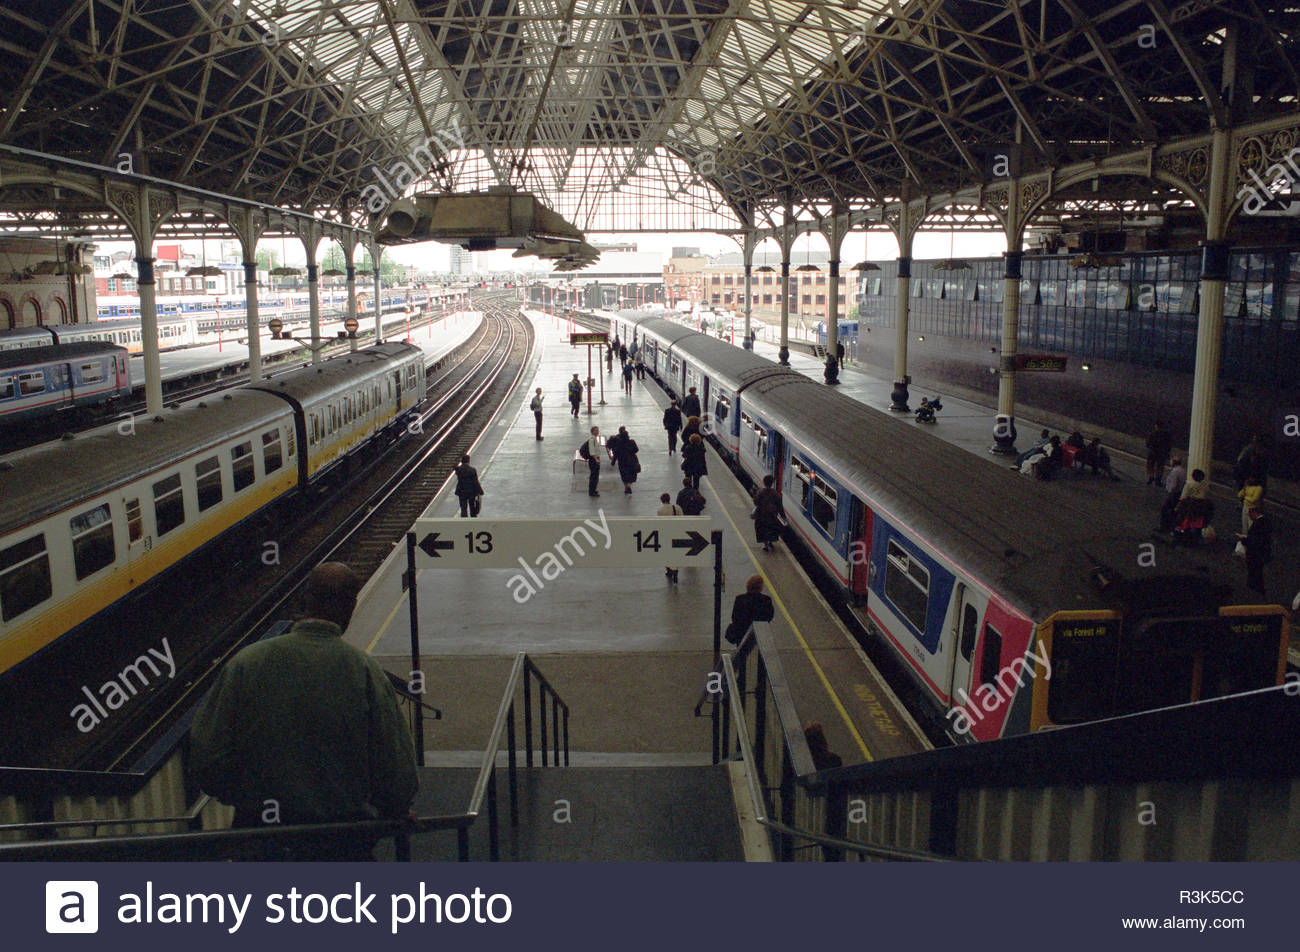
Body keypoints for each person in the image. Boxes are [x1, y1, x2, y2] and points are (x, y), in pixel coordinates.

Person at [190, 563, 418, 859]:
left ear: (303, 602)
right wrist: (392, 810)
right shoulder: (364, 671)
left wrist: (248, 799)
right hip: (342, 841)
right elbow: (397, 768)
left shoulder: (246, 663)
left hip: (262, 839)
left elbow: (208, 756)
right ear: (351, 607)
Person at [725, 574, 774, 645]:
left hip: (742, 633)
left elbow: (735, 616)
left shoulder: (740, 599)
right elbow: (769, 616)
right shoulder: (766, 600)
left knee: (742, 652)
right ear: (760, 587)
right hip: (759, 633)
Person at [1238, 506, 1272, 597]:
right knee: (1257, 573)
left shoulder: (1258, 524)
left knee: (1254, 573)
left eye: (1249, 514)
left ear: (1254, 513)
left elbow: (1254, 541)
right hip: (1261, 554)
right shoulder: (1265, 522)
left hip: (1255, 554)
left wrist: (1243, 539)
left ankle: (1254, 593)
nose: (1249, 517)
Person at [657, 492, 683, 582]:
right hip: (676, 532)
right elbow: (682, 519)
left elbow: (660, 523)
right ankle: (676, 570)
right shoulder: (677, 507)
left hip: (666, 534)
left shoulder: (660, 510)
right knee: (675, 552)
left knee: (666, 552)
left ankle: (668, 569)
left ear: (661, 500)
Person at [753, 475, 783, 553]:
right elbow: (779, 505)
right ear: (772, 483)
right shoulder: (775, 493)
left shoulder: (761, 492)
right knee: (771, 529)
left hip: (762, 515)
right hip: (772, 515)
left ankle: (765, 545)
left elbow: (756, 501)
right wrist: (783, 516)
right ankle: (770, 542)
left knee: (763, 529)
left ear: (764, 483)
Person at [1160, 456, 1187, 531]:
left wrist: (1170, 494)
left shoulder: (1175, 472)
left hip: (1174, 494)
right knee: (1173, 510)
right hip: (1179, 493)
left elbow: (1173, 485)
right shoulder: (1183, 470)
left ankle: (1164, 526)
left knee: (1165, 509)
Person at [612, 425, 640, 493]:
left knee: (624, 475)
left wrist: (613, 461)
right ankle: (629, 485)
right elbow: (636, 450)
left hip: (622, 461)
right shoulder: (632, 442)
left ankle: (626, 487)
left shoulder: (619, 443)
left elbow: (616, 453)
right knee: (632, 475)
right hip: (632, 461)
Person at [1145, 420, 1172, 485]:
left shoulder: (1152, 434)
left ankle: (1151, 477)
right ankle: (1158, 479)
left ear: (1156, 426)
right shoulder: (1166, 435)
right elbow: (1169, 444)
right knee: (1160, 466)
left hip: (1152, 452)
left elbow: (1148, 443)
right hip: (1161, 453)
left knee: (1150, 465)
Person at [582, 426, 603, 497]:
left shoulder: (595, 439)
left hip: (595, 459)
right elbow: (592, 451)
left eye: (598, 430)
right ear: (592, 432)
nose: (597, 432)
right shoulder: (592, 440)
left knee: (595, 476)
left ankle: (594, 489)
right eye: (596, 430)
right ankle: (592, 491)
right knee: (593, 476)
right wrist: (596, 459)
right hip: (593, 460)